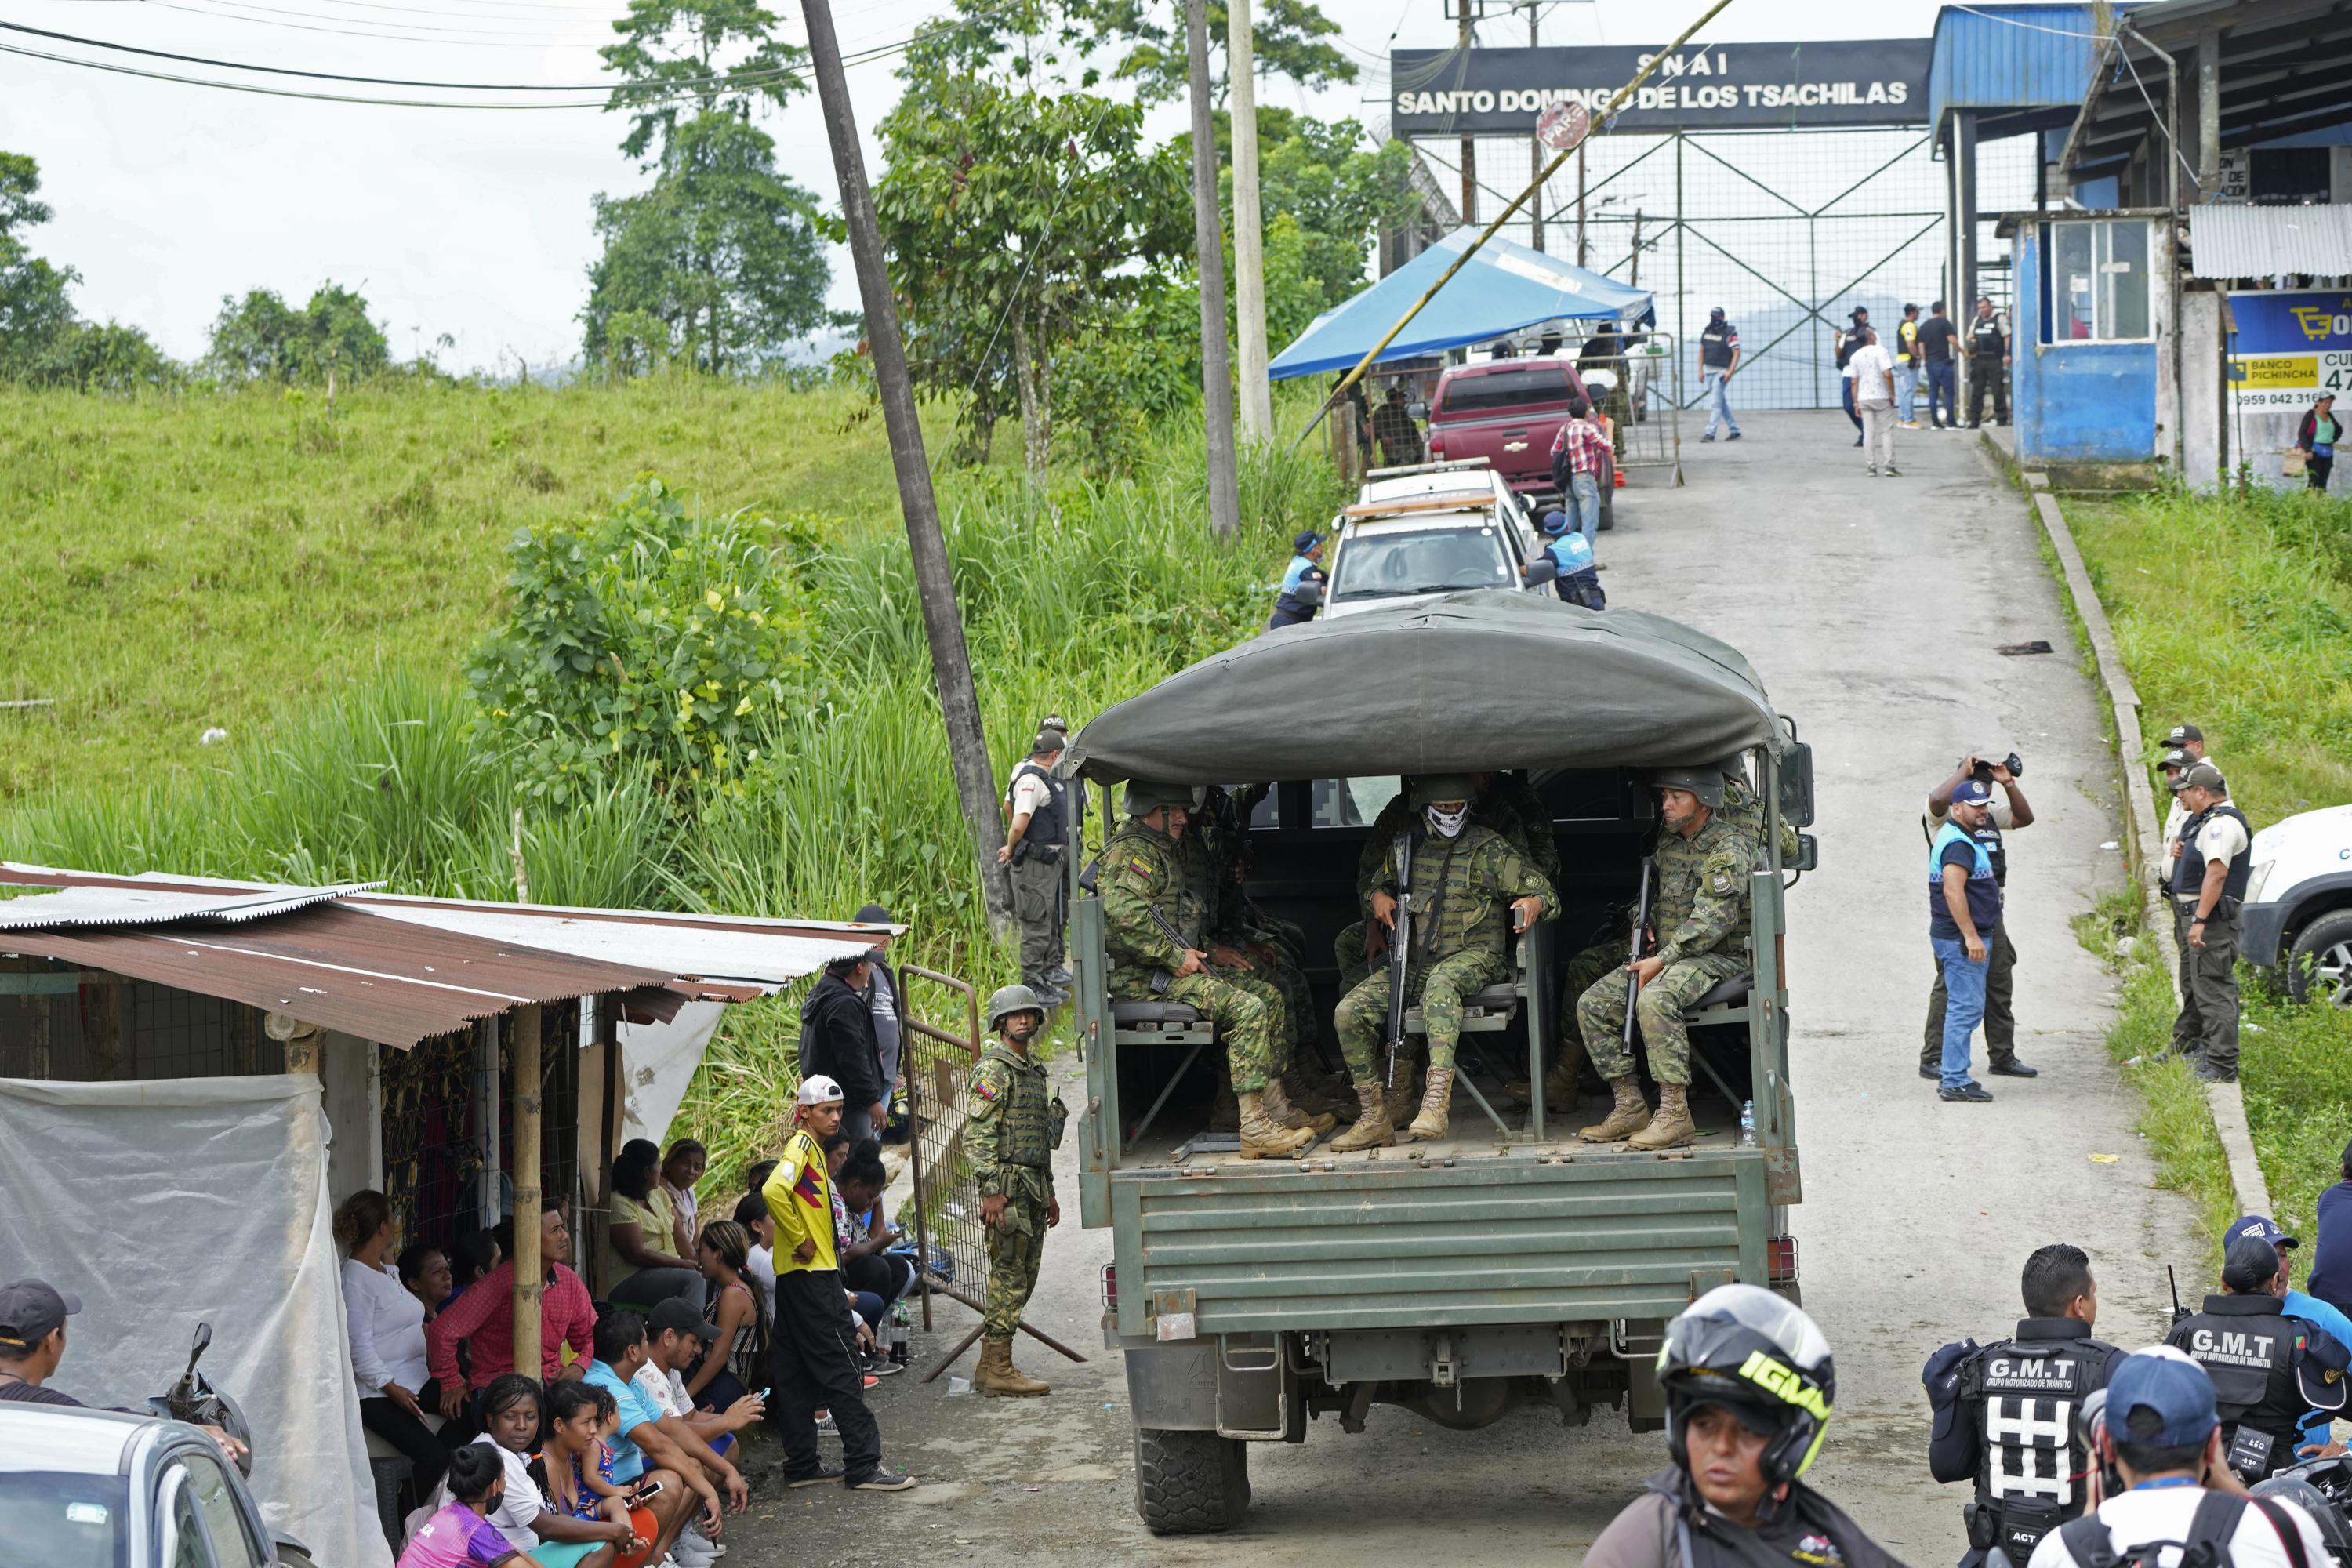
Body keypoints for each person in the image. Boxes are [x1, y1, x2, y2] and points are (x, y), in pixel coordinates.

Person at [1583, 1284, 1897, 1568]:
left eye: (1748, 1428)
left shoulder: (1838, 1544)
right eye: (1705, 1423)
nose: (1721, 1447)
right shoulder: (1652, 1537)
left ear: (1791, 1440)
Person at [1331, 774, 1558, 1146]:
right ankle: (1374, 1115)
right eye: (1443, 807)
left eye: (1458, 806)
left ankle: (1435, 1103)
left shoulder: (1491, 850)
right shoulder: (1405, 850)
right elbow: (1376, 882)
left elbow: (1545, 891)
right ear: (1424, 808)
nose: (1452, 813)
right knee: (1348, 1012)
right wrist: (1377, 899)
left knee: (1442, 983)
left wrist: (1535, 902)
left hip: (1477, 958)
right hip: (1417, 963)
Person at [1102, 779, 1316, 1158]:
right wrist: (1174, 957)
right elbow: (1122, 913)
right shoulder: (1133, 852)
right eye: (1177, 810)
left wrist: (1211, 950)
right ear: (1153, 808)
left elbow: (1177, 919)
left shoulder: (1163, 849)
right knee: (1247, 1008)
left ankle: (1276, 1108)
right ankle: (1253, 1127)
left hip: (1169, 972)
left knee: (1266, 994)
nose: (1185, 817)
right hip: (1143, 981)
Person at [1577, 768, 1759, 1151]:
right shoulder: (1670, 844)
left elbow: (1713, 923)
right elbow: (1654, 901)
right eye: (1665, 797)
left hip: (1718, 959)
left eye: (1678, 796)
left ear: (1704, 800)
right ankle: (1630, 1106)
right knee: (1594, 1002)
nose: (1667, 805)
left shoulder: (1727, 848)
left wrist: (1662, 959)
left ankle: (1675, 1115)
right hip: (1671, 957)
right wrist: (1639, 924)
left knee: (1654, 998)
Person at [2025, 1349, 2333, 1568]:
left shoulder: (2060, 1551)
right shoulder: (2285, 1530)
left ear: (2104, 1443)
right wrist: (2238, 1492)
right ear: (2213, 1444)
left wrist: (2087, 1529)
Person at [1924, 1244, 2125, 1566]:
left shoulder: (1981, 1366)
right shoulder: (2113, 1368)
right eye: (2093, 1294)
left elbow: (1947, 1465)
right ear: (2079, 1306)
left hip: (1994, 1552)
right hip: (2077, 1554)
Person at [764, 1075, 914, 1492]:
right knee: (845, 1367)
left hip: (796, 1279)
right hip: (813, 1277)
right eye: (825, 1111)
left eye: (837, 1110)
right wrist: (801, 1237)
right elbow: (774, 1189)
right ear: (804, 1113)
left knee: (794, 1372)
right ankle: (863, 1465)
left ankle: (802, 1464)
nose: (833, 1118)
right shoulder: (802, 1146)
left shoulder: (811, 1150)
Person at [2165, 1233, 2352, 1482]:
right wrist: (2346, 1452)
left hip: (2195, 1482)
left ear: (2223, 1281)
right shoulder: (2296, 1339)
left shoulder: (2184, 1334)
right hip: (2276, 1491)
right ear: (2275, 1282)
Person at [425, 1374, 637, 1568]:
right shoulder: (495, 1457)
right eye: (510, 1417)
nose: (522, 1426)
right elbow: (546, 1527)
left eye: (530, 1416)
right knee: (602, 1543)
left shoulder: (517, 1453)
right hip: (496, 1561)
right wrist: (615, 1530)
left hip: (516, 1554)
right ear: (490, 1419)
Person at [967, 983, 1066, 1396]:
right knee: (1009, 1274)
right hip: (1007, 1190)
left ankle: (990, 1365)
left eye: (1028, 1014)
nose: (1023, 1020)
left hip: (1032, 1187)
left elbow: (1038, 1141)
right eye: (1014, 1015)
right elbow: (977, 1136)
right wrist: (991, 1190)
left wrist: (1051, 1190)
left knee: (1024, 1275)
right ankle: (999, 1368)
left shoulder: (1032, 1071)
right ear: (1001, 1022)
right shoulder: (994, 1070)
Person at [1921, 755, 2038, 1083]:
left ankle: (2002, 1054)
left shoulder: (1985, 817)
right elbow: (1936, 800)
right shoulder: (1945, 820)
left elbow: (2024, 818)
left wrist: (2008, 783)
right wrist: (1964, 771)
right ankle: (1934, 1058)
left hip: (1990, 915)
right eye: (1974, 786)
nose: (1981, 795)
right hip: (1960, 919)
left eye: (1985, 788)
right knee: (1953, 989)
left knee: (1999, 980)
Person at [578, 1313, 729, 1559]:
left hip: (625, 1483)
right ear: (633, 1352)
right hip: (605, 1493)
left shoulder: (625, 1380)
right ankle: (651, 1560)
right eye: (646, 1340)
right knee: (669, 1483)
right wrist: (709, 1492)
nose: (650, 1345)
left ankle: (656, 1557)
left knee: (689, 1466)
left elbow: (671, 1428)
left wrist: (727, 1471)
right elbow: (658, 1445)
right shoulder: (608, 1388)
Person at [428, 1201, 597, 1420]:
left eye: (563, 1228)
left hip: (550, 1381)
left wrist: (579, 1366)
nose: (564, 1236)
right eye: (555, 1230)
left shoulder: (568, 1281)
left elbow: (589, 1337)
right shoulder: (498, 1284)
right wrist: (450, 1382)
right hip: (498, 1386)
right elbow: (442, 1331)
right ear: (530, 1238)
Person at [339, 1189, 452, 1499]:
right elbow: (358, 1346)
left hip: (416, 1378)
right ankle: (413, 1525)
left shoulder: (384, 1272)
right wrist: (393, 1390)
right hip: (379, 1393)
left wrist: (385, 1256)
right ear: (383, 1228)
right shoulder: (355, 1279)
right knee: (433, 1456)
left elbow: (389, 1280)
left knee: (471, 1409)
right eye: (391, 1221)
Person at [2223, 1213, 2352, 1457]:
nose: (2277, 1267)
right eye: (2265, 1257)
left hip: (2308, 1477)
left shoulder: (2321, 1317)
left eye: (2281, 1255)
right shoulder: (2215, 1322)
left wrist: (2347, 1451)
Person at [2169, 762, 2251, 1083]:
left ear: (2201, 792)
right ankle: (2207, 1053)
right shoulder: (2207, 822)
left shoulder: (2221, 825)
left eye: (2186, 790)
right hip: (2207, 919)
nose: (2182, 795)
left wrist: (2200, 919)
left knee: (2215, 991)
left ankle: (2222, 1065)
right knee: (2203, 989)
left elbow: (2217, 872)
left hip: (2213, 921)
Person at [1927, 778, 2003, 1104]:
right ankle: (1955, 1079)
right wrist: (1971, 936)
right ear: (1956, 809)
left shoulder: (1962, 837)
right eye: (1975, 807)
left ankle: (1953, 1073)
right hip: (1961, 939)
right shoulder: (1958, 843)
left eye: (1984, 805)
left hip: (1960, 936)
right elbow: (1952, 890)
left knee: (1964, 1006)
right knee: (1965, 1008)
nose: (1982, 811)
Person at [532, 1381, 646, 1568]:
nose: (594, 1429)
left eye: (595, 1420)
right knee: (604, 1543)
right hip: (535, 1556)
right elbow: (553, 1530)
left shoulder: (570, 1455)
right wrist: (611, 1530)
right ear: (559, 1426)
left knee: (642, 1518)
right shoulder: (547, 1463)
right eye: (586, 1422)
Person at [999, 731, 1073, 1006]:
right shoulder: (1032, 780)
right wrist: (1010, 847)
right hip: (1034, 866)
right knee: (1035, 924)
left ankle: (1043, 977)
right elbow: (1018, 822)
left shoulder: (1045, 778)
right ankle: (1031, 982)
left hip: (1047, 865)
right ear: (1055, 755)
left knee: (1048, 921)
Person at [596, 1145, 706, 1317]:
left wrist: (696, 1263)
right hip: (627, 1279)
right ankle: (688, 1337)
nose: (661, 1170)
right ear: (647, 1172)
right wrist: (682, 1264)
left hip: (662, 1271)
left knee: (707, 1276)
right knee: (693, 1281)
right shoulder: (619, 1203)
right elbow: (637, 1254)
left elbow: (678, 1237)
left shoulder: (659, 1194)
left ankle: (681, 1334)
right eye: (658, 1165)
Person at [397, 1441, 538, 1568]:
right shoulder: (474, 1530)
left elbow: (509, 1550)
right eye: (504, 1478)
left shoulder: (448, 1513)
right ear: (494, 1487)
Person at [800, 949, 887, 1143]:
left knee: (835, 1160)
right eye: (869, 965)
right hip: (847, 1106)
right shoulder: (843, 1004)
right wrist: (872, 1100)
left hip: (827, 1100)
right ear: (859, 968)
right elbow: (852, 1057)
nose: (871, 970)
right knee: (850, 1162)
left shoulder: (823, 991)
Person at [834, 1144, 915, 1342]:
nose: (870, 1203)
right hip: (835, 1280)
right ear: (855, 1186)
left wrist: (877, 1203)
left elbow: (870, 1242)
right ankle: (862, 1343)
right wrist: (879, 1241)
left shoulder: (852, 1209)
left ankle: (869, 1334)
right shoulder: (837, 1203)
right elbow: (845, 1254)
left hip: (851, 1274)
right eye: (870, 1196)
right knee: (878, 1268)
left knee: (898, 1266)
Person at [686, 1220, 765, 1414]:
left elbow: (719, 1357)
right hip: (722, 1379)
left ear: (718, 1254)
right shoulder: (731, 1289)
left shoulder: (733, 1295)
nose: (697, 1258)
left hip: (725, 1382)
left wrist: (685, 1397)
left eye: (701, 1251)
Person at [851, 904, 909, 1139]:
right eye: (879, 933)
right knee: (861, 1141)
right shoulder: (856, 968)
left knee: (873, 1140)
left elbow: (889, 1018)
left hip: (885, 1076)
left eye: (888, 934)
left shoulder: (883, 969)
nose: (885, 939)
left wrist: (894, 1069)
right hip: (867, 1078)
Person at [1548, 394, 1611, 546]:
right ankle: (1586, 558)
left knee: (1570, 522)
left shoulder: (1565, 428)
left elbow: (1554, 451)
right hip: (1584, 478)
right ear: (1585, 413)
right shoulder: (1586, 428)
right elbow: (1606, 446)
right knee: (1589, 522)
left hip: (1569, 480)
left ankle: (1567, 555)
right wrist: (1609, 429)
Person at [1845, 326, 1899, 477]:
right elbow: (1888, 374)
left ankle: (1871, 467)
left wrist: (1855, 402)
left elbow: (1854, 382)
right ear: (1870, 337)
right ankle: (1889, 466)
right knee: (1886, 431)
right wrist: (1892, 393)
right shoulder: (1880, 351)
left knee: (1868, 432)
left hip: (1864, 397)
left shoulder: (1855, 356)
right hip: (1881, 396)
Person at [1526, 508, 1605, 610]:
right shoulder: (1581, 538)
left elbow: (1532, 570)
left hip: (1580, 607)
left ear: (1547, 532)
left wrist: (1527, 565)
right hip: (1597, 601)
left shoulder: (1554, 552)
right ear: (1567, 526)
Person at [1697, 307, 1743, 442]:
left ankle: (1710, 433)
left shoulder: (1730, 333)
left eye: (1717, 317)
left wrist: (1730, 371)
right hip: (1708, 371)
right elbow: (1701, 351)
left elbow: (1737, 352)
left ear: (1722, 317)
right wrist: (1700, 370)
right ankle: (1734, 430)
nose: (1715, 320)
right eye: (1713, 316)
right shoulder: (1707, 331)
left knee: (1716, 404)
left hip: (1722, 372)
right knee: (1721, 403)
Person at [1268, 530, 1329, 630]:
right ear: (1314, 550)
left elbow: (1326, 578)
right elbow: (1322, 591)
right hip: (1289, 624)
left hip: (1287, 620)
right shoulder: (1306, 568)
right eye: (1320, 545)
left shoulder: (1299, 562)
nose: (1323, 548)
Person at [1965, 298, 2012, 429]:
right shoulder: (1977, 320)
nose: (1982, 310)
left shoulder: (1999, 318)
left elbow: (2007, 336)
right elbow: (1969, 336)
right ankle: (1974, 419)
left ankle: (2001, 419)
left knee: (1997, 390)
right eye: (1980, 308)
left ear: (1990, 306)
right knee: (1977, 390)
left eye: (1984, 307)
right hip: (1979, 359)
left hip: (1995, 359)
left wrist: (2007, 353)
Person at [659, 1140, 706, 1261]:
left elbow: (695, 1236)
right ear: (669, 1164)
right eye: (685, 1164)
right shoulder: (660, 1191)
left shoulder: (688, 1192)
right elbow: (678, 1238)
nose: (691, 1171)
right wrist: (697, 1265)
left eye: (697, 1167)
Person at [1918, 301, 1960, 430]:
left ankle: (1935, 422)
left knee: (1933, 393)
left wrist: (1926, 360)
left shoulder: (1924, 326)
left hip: (1930, 363)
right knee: (1948, 393)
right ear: (1942, 310)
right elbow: (1952, 340)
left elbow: (1921, 347)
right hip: (1943, 363)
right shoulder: (1944, 322)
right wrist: (1962, 351)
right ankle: (1951, 422)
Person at [1837, 307, 1871, 450]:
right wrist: (1837, 339)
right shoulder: (1847, 334)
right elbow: (1839, 353)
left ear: (1864, 316)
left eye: (1858, 316)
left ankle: (1866, 435)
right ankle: (1865, 431)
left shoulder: (1871, 333)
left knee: (1866, 406)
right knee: (1849, 406)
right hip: (1848, 372)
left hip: (1865, 374)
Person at [401, 1243, 456, 1325]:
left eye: (447, 1268)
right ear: (414, 1283)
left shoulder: (433, 1315)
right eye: (437, 1271)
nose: (448, 1276)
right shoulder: (416, 1326)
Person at [1371, 384, 1425, 466]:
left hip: (1407, 445)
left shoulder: (1402, 412)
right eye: (1401, 398)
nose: (1404, 400)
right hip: (1394, 447)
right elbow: (1377, 426)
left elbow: (1411, 426)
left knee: (1422, 450)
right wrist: (1385, 436)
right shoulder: (1384, 411)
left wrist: (1416, 437)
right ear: (1395, 399)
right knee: (1410, 455)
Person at [2296, 394, 2339, 491]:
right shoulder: (2311, 414)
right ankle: (2307, 503)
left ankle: (2321, 504)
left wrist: (2333, 440)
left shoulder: (2330, 416)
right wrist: (2307, 450)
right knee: (2314, 480)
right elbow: (2302, 432)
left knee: (2323, 482)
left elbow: (2339, 429)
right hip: (2313, 452)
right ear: (2318, 403)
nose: (2328, 405)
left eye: (2330, 402)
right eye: (2325, 402)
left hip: (2328, 451)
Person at [1896, 303, 1923, 428]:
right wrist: (1917, 356)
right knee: (1909, 391)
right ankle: (1908, 419)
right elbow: (1910, 344)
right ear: (1912, 312)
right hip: (1908, 361)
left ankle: (1902, 418)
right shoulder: (1909, 326)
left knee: (1903, 391)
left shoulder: (1902, 324)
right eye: (1918, 311)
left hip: (1901, 360)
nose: (1919, 314)